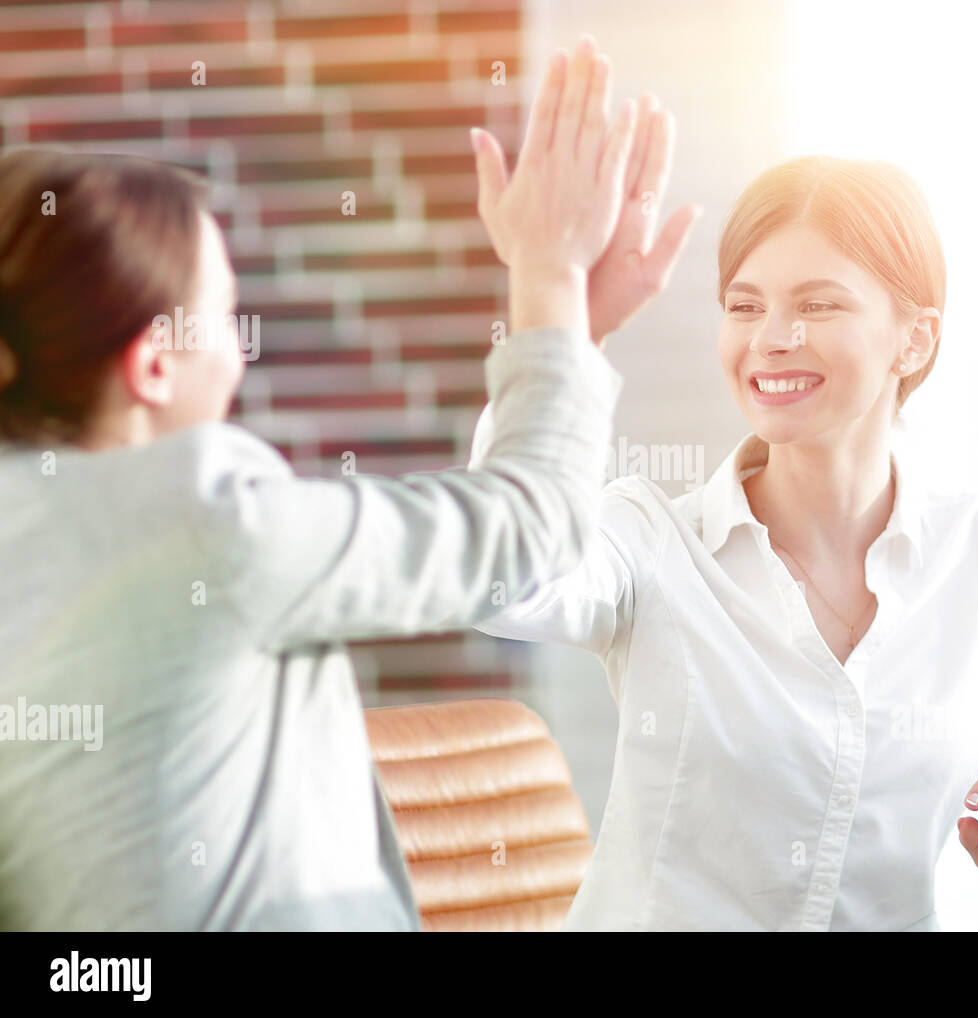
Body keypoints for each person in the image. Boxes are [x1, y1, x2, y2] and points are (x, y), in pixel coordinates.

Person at [0, 35, 695, 930]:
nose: (239, 355)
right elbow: (530, 532)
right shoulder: (206, 517)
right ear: (154, 367)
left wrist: (567, 327)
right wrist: (545, 275)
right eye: (222, 320)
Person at [467, 154, 978, 930]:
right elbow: (495, 579)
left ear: (915, 341)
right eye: (744, 306)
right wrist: (559, 325)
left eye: (818, 305)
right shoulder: (649, 540)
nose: (772, 339)